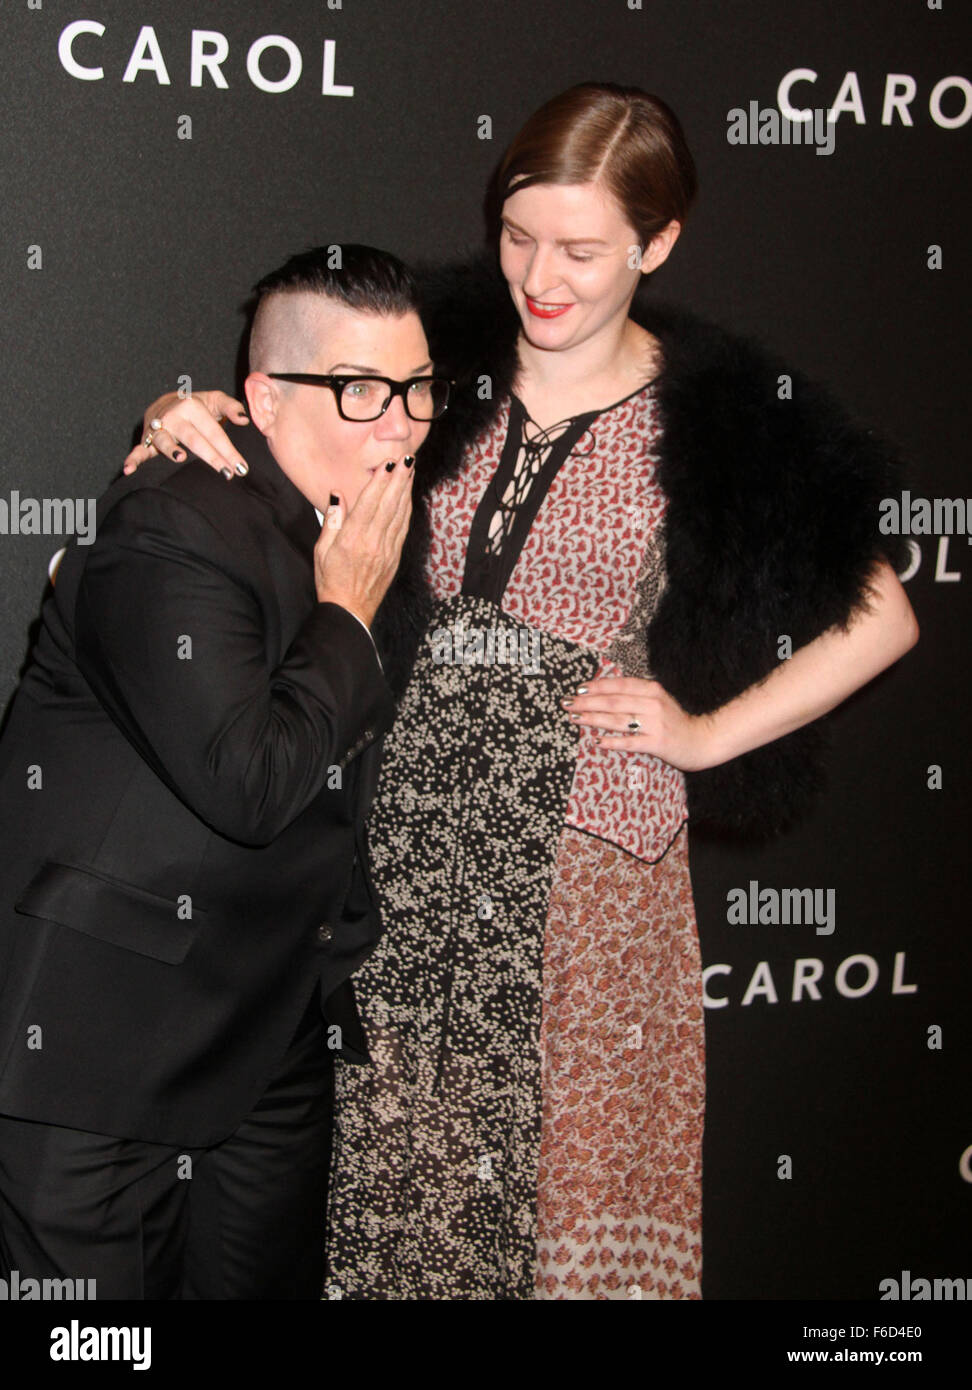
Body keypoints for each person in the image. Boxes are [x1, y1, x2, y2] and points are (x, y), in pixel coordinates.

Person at [124, 84, 919, 1300]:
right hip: (404, 845)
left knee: (565, 1195)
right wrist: (187, 415)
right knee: (403, 1193)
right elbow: (292, 410)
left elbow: (883, 613)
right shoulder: (433, 350)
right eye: (518, 236)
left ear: (658, 245)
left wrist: (704, 735)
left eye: (583, 249)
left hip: (585, 871)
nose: (539, 276)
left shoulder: (720, 418)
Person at [0, 244, 441, 1298]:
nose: (400, 421)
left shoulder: (368, 513)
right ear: (260, 400)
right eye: (358, 390)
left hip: (264, 1030)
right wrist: (345, 612)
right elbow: (251, 783)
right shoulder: (172, 522)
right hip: (99, 1048)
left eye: (418, 387)